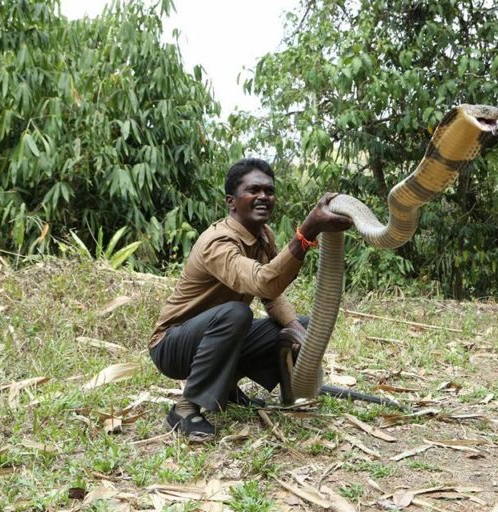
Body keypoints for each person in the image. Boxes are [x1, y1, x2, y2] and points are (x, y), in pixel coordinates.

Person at [148, 158, 353, 441]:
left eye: (269, 191)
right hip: (173, 346)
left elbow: (271, 296)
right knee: (235, 314)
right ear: (232, 201)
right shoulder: (218, 242)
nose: (263, 197)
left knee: (297, 326)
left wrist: (296, 329)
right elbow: (263, 281)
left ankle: (229, 388)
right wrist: (306, 233)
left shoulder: (263, 237)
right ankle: (185, 408)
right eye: (253, 190)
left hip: (216, 336)